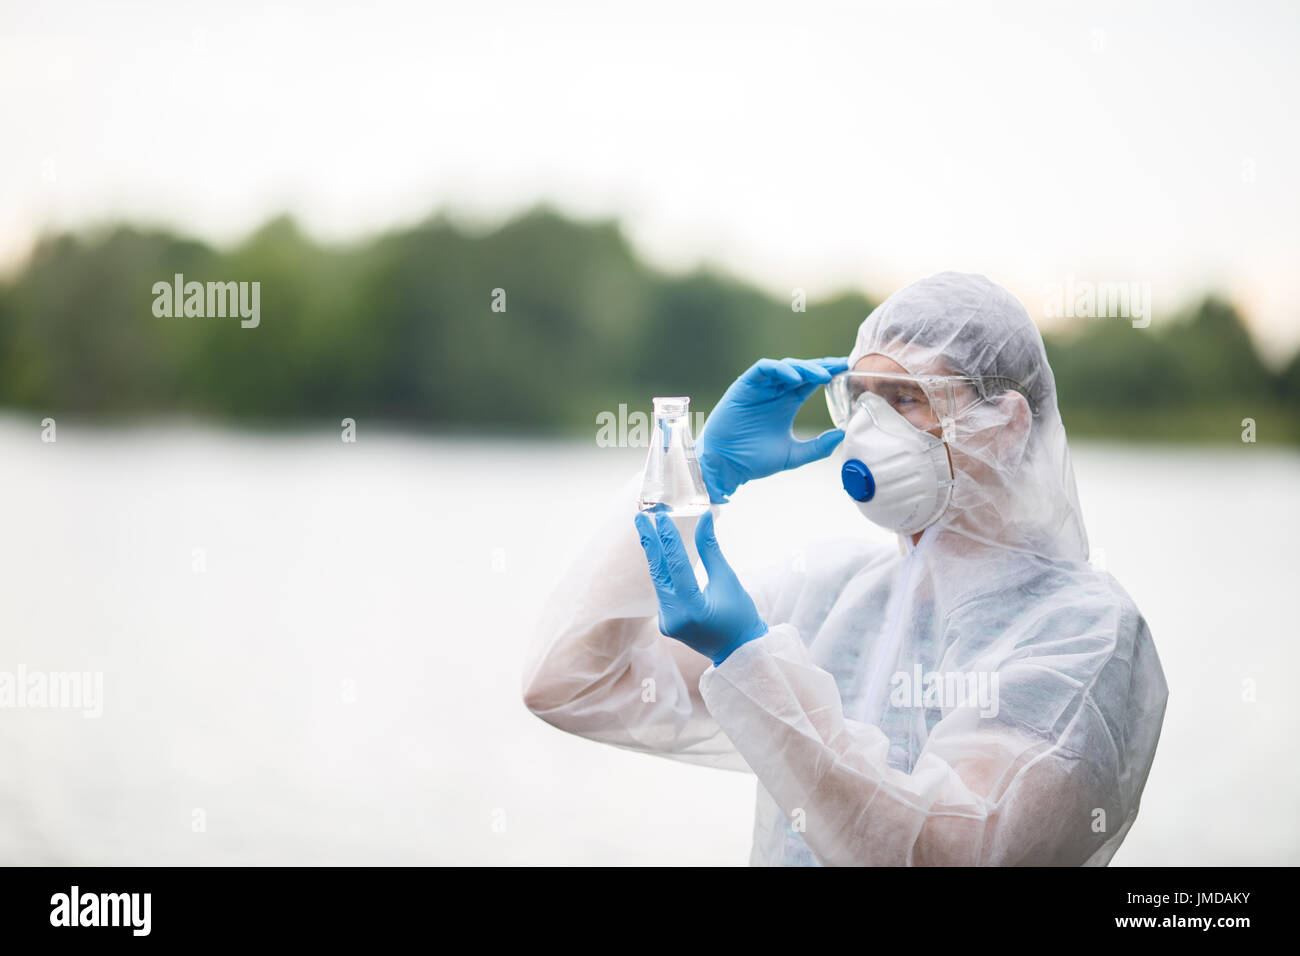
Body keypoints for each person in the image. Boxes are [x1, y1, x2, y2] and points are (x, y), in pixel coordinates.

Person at [522, 272, 1167, 866]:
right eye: (860, 398)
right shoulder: (829, 594)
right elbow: (571, 683)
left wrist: (752, 667)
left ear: (1004, 424)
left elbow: (963, 852)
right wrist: (693, 477)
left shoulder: (1083, 633)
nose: (870, 428)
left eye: (906, 398)